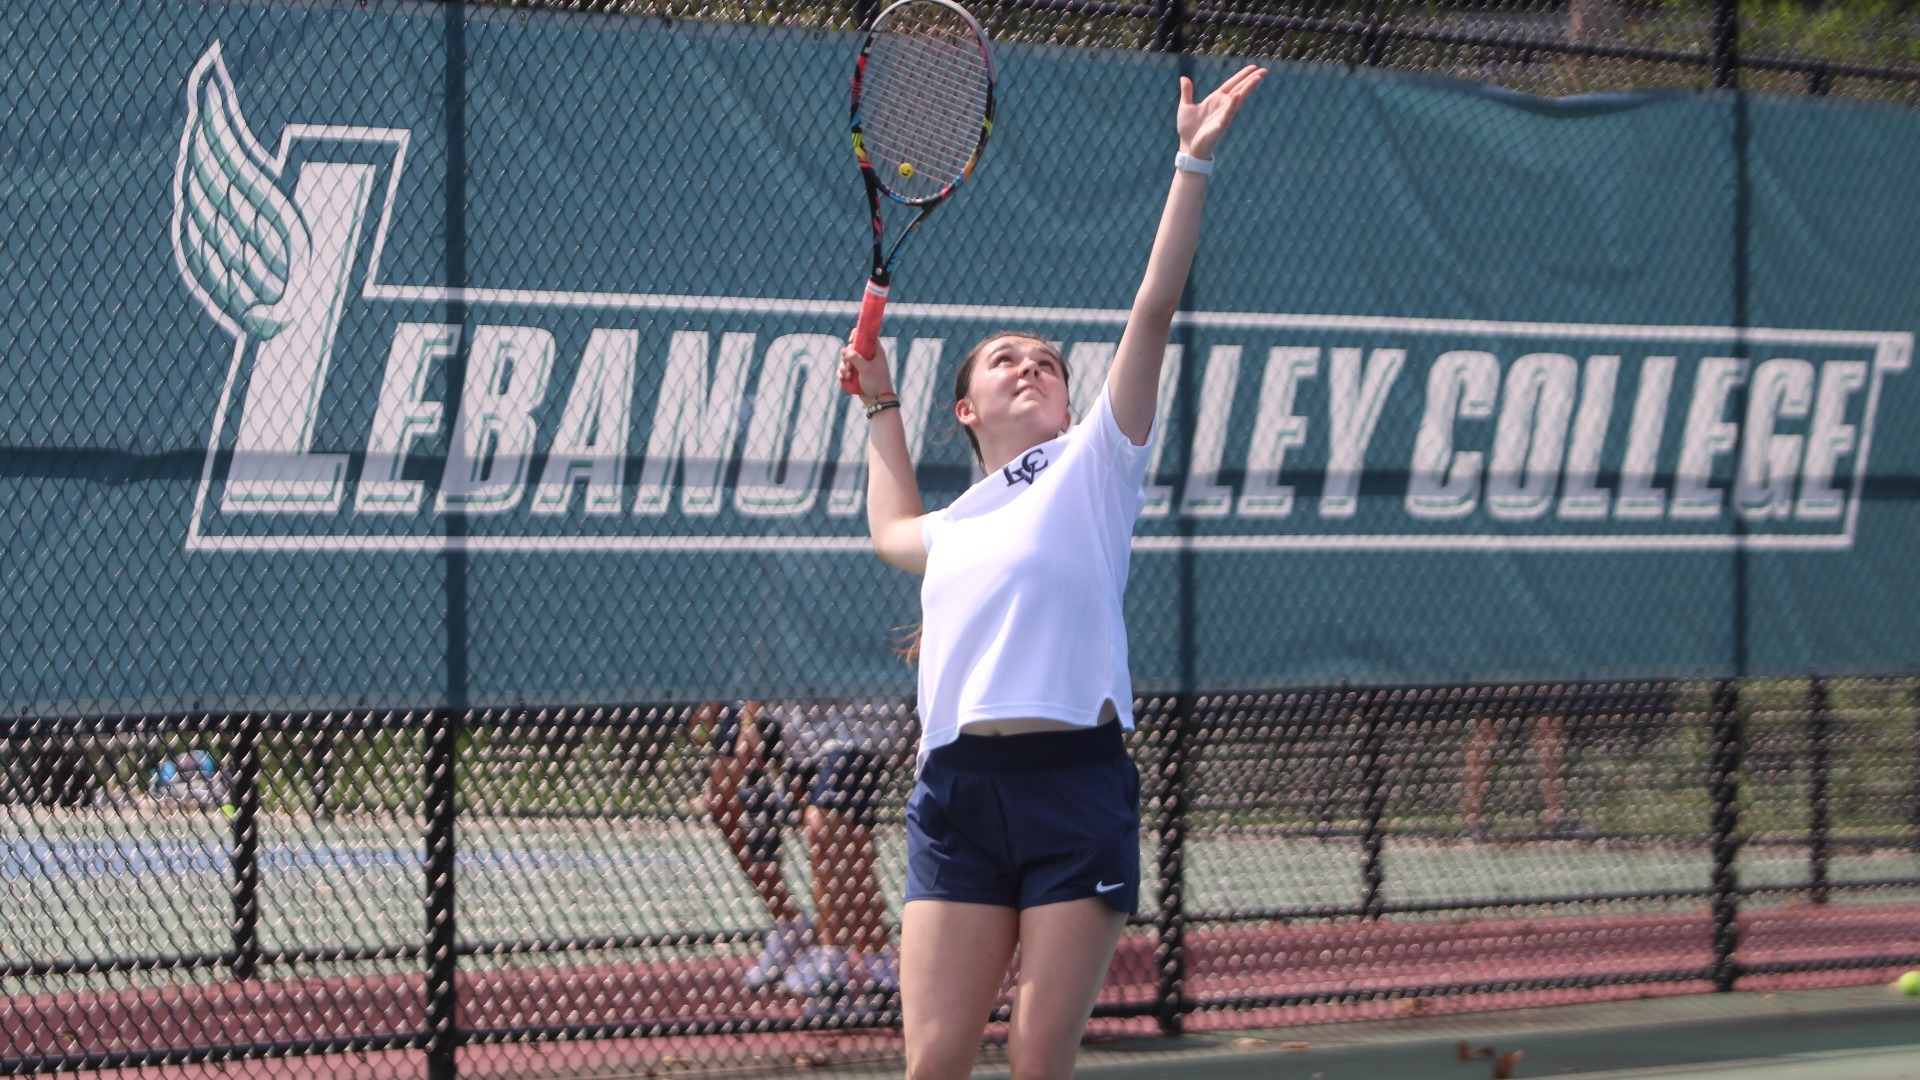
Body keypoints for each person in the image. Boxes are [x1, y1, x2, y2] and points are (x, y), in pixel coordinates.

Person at [837, 66, 1266, 1080]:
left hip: (1075, 788)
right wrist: (878, 402)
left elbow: (1153, 309)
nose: (1031, 366)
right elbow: (892, 525)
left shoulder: (1094, 469)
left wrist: (1190, 158)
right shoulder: (958, 525)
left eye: (1048, 361)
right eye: (1004, 362)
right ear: (969, 412)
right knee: (933, 1064)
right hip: (955, 794)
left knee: (1038, 1062)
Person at [702, 698, 905, 1017]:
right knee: (838, 836)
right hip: (792, 713)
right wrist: (749, 720)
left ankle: (835, 969)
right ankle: (876, 968)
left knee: (824, 825)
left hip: (862, 716)